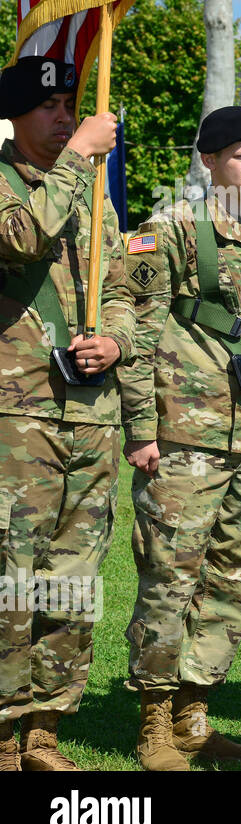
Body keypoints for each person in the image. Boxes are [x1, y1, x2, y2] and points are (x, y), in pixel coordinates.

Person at [119, 105, 241, 770]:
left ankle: (194, 711)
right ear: (209, 161)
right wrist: (141, 428)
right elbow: (136, 331)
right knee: (170, 578)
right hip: (180, 436)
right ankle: (152, 723)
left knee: (235, 580)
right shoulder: (167, 230)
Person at [0, 57, 133, 771]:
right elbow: (19, 236)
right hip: (12, 417)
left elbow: (120, 292)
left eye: (70, 107)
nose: (64, 118)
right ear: (17, 114)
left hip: (87, 415)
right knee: (9, 576)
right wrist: (81, 155)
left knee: (71, 578)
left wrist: (115, 338)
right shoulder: (16, 185)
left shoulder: (93, 201)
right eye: (48, 107)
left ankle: (45, 726)